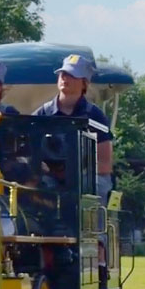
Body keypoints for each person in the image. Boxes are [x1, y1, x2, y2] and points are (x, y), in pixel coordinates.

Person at [33, 53, 114, 201]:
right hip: (50, 176)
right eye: (63, 74)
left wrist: (75, 176)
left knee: (98, 186)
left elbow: (105, 164)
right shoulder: (43, 113)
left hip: (85, 178)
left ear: (85, 83)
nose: (65, 78)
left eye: (72, 75)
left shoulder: (95, 116)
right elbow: (27, 148)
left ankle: (93, 224)